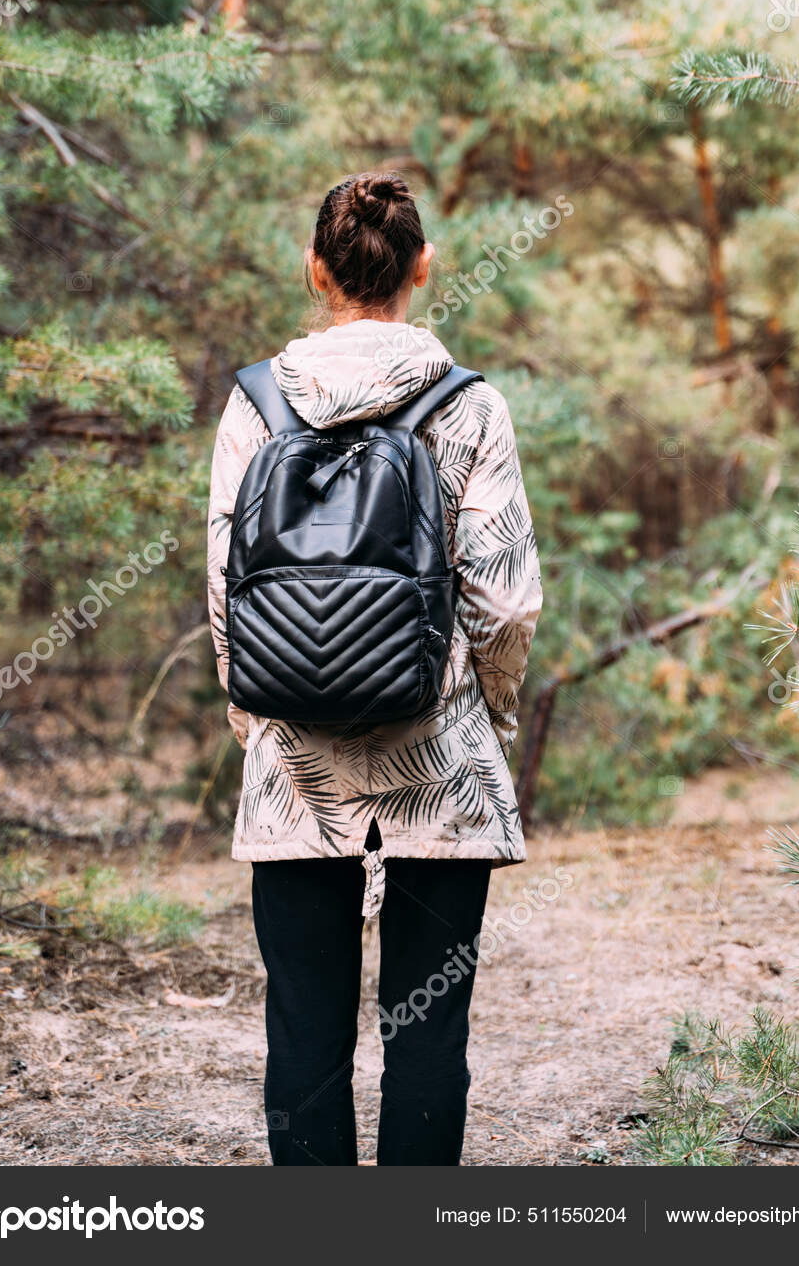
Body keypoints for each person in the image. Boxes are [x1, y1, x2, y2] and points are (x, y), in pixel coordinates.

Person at [207, 171, 542, 1167]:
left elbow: (226, 588)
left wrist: (256, 719)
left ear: (315, 270)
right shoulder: (468, 405)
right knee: (425, 1035)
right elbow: (504, 601)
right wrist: (487, 714)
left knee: (304, 1033)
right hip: (439, 766)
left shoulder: (255, 403)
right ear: (422, 267)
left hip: (293, 772)